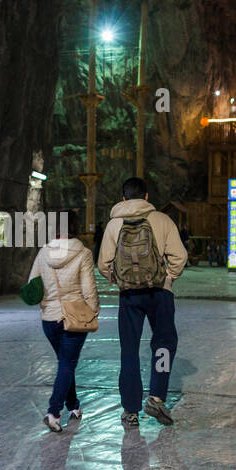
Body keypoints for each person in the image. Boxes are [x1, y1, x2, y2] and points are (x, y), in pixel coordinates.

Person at [97, 177, 187, 427]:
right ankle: (157, 396)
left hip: (129, 296)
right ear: (146, 197)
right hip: (160, 293)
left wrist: (120, 279)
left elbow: (103, 264)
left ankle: (130, 410)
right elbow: (179, 256)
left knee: (129, 350)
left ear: (123, 198)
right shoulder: (162, 220)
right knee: (164, 344)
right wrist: (167, 278)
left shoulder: (114, 225)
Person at [27, 213, 99, 432]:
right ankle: (54, 412)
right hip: (74, 316)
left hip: (49, 319)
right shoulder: (83, 253)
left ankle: (73, 405)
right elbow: (88, 288)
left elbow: (32, 284)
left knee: (65, 363)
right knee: (67, 364)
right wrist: (93, 311)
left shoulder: (43, 252)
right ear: (76, 228)